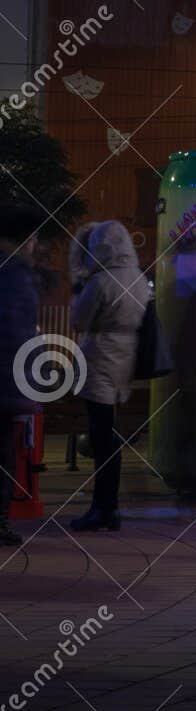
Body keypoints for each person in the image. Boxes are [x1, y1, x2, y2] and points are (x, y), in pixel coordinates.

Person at [68, 221, 151, 532]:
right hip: (125, 358)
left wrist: (78, 288)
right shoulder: (138, 278)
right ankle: (109, 506)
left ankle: (102, 507)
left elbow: (79, 321)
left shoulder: (101, 281)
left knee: (102, 436)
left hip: (100, 356)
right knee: (109, 434)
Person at [0, 207, 44, 547]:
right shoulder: (14, 275)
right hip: (5, 383)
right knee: (4, 454)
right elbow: (16, 335)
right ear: (26, 240)